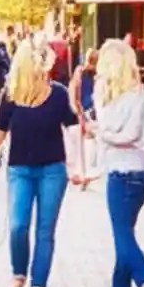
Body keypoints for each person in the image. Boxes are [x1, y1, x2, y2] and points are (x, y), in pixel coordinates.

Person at [0, 40, 78, 287]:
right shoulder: (11, 95)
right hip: (20, 171)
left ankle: (38, 283)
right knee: (18, 226)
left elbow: (72, 128)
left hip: (53, 171)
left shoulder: (58, 94)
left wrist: (76, 164)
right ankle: (19, 273)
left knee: (45, 230)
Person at [84, 39, 144, 287]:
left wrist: (102, 134)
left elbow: (119, 133)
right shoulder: (138, 94)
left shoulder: (104, 93)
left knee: (122, 236)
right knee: (124, 235)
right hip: (143, 173)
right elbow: (133, 135)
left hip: (120, 173)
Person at [66, 48, 101, 188]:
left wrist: (76, 109)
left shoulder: (81, 72)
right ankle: (87, 173)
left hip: (85, 110)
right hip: (91, 110)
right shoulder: (92, 74)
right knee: (90, 141)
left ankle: (85, 172)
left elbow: (72, 91)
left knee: (87, 142)